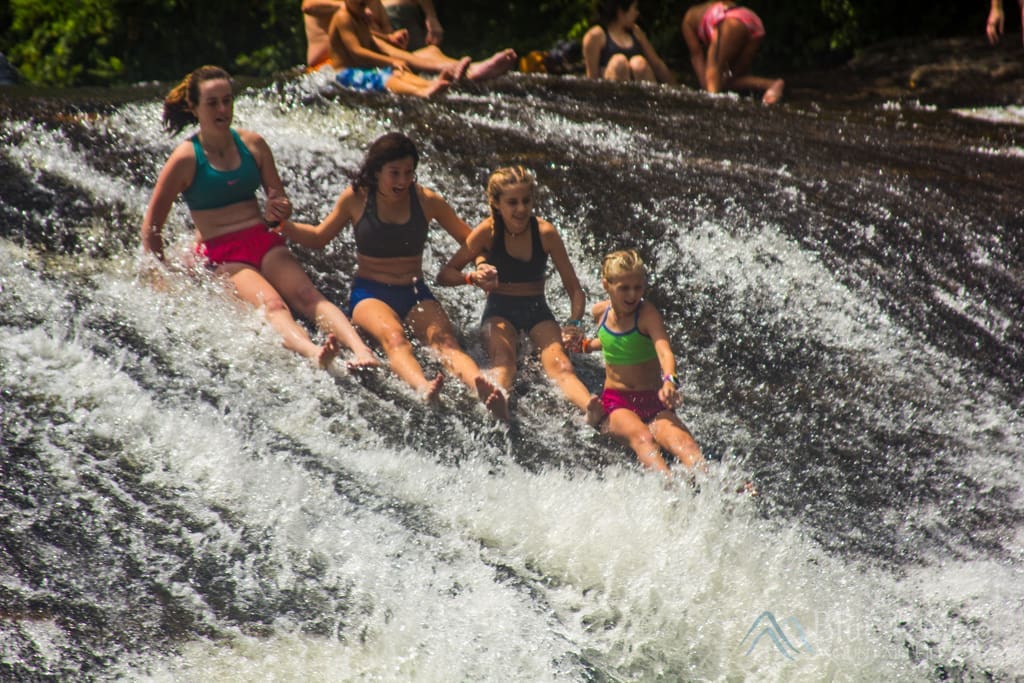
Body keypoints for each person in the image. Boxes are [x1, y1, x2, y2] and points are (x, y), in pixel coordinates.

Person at [140, 65, 379, 372]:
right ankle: (314, 352)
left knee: (307, 295)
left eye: (227, 100)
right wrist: (160, 274)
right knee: (274, 305)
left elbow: (279, 199)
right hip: (224, 254)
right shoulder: (186, 158)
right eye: (212, 103)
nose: (222, 109)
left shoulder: (253, 144)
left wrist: (278, 208)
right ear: (194, 107)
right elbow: (152, 226)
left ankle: (361, 351)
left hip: (262, 241)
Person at [276, 133, 510, 419]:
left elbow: (471, 240)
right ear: (376, 171)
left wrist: (482, 266)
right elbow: (318, 237)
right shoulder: (356, 198)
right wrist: (283, 226)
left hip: (414, 291)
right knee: (395, 338)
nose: (402, 181)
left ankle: (480, 386)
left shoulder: (427, 200)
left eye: (409, 173)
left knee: (446, 341)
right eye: (395, 173)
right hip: (370, 294)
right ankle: (423, 386)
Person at [437, 166, 604, 424]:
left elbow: (575, 290)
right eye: (512, 202)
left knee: (561, 366)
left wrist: (574, 323)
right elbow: (445, 275)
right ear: (496, 204)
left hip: (538, 312)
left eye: (526, 201)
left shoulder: (545, 233)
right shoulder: (487, 232)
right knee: (504, 360)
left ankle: (589, 408)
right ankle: (499, 401)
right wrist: (472, 278)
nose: (521, 209)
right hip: (499, 312)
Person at [576, 249, 704, 475]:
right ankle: (669, 491)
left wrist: (669, 380)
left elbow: (664, 350)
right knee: (643, 439)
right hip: (617, 402)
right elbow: (611, 341)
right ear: (606, 285)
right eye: (624, 288)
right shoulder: (600, 312)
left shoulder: (647, 314)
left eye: (638, 287)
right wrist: (586, 346)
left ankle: (717, 486)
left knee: (685, 445)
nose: (633, 294)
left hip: (653, 401)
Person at [303, 0, 516, 83]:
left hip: (373, 57)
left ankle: (459, 70)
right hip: (331, 61)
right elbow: (308, 6)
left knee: (430, 51)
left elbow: (386, 39)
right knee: (385, 48)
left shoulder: (373, 4)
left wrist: (395, 40)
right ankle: (468, 71)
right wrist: (349, 7)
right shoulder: (343, 8)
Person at [681, 1, 784, 104]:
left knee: (713, 71)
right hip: (753, 21)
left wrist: (707, 88)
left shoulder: (688, 20)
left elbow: (696, 55)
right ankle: (772, 85)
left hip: (731, 20)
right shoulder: (712, 6)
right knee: (730, 79)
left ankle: (714, 109)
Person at [582, 0, 676, 83]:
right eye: (634, 8)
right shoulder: (596, 35)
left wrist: (676, 89)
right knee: (619, 62)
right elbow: (592, 79)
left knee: (639, 63)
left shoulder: (636, 32)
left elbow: (657, 65)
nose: (637, 13)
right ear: (621, 12)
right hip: (610, 95)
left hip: (640, 93)